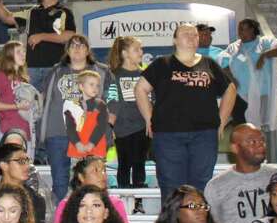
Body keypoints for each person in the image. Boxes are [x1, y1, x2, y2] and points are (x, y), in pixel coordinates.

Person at [136, 24, 236, 200]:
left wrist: (221, 121)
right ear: (175, 40)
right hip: (168, 136)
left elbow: (230, 89)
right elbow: (140, 89)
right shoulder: (162, 64)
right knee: (171, 186)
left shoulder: (209, 64)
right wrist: (148, 118)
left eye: (194, 35)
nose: (191, 37)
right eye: (185, 33)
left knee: (200, 186)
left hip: (204, 136)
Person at [41, 36, 112, 202]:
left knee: (91, 182)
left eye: (81, 46)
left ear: (88, 50)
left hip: (90, 136)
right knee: (59, 183)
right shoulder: (55, 71)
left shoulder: (103, 71)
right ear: (67, 50)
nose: (77, 49)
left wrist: (109, 121)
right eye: (73, 46)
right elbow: (44, 98)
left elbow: (113, 97)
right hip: (58, 132)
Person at [0, 0, 76, 93]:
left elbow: (70, 35)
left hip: (56, 67)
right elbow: (7, 18)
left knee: (55, 105)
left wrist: (42, 36)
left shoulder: (64, 12)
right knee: (28, 105)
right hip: (32, 68)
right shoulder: (32, 12)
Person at [204, 123, 277, 223]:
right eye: (252, 142)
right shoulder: (216, 185)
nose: (260, 145)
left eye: (262, 141)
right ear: (235, 148)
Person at [216, 20, 277, 133]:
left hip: (263, 93)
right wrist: (232, 78)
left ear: (253, 29)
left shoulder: (265, 42)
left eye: (244, 29)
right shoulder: (234, 47)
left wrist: (264, 55)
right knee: (243, 128)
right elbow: (222, 63)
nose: (241, 32)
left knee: (263, 127)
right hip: (240, 95)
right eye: (239, 29)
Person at [108, 36, 149, 189]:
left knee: (140, 163)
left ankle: (138, 203)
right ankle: (124, 199)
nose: (141, 52)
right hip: (123, 128)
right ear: (125, 53)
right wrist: (111, 127)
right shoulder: (114, 75)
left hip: (143, 127)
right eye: (137, 49)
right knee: (124, 164)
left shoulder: (146, 74)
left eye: (141, 49)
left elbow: (153, 100)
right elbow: (112, 101)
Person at [51, 155, 130, 223]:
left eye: (104, 171)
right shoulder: (65, 204)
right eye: (95, 171)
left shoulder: (116, 203)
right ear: (81, 177)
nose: (103, 175)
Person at [0, 41, 37, 152]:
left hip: (27, 131)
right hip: (9, 131)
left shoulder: (25, 78)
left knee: (26, 168)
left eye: (24, 52)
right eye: (18, 52)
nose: (23, 55)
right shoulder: (1, 76)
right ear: (9, 55)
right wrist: (17, 106)